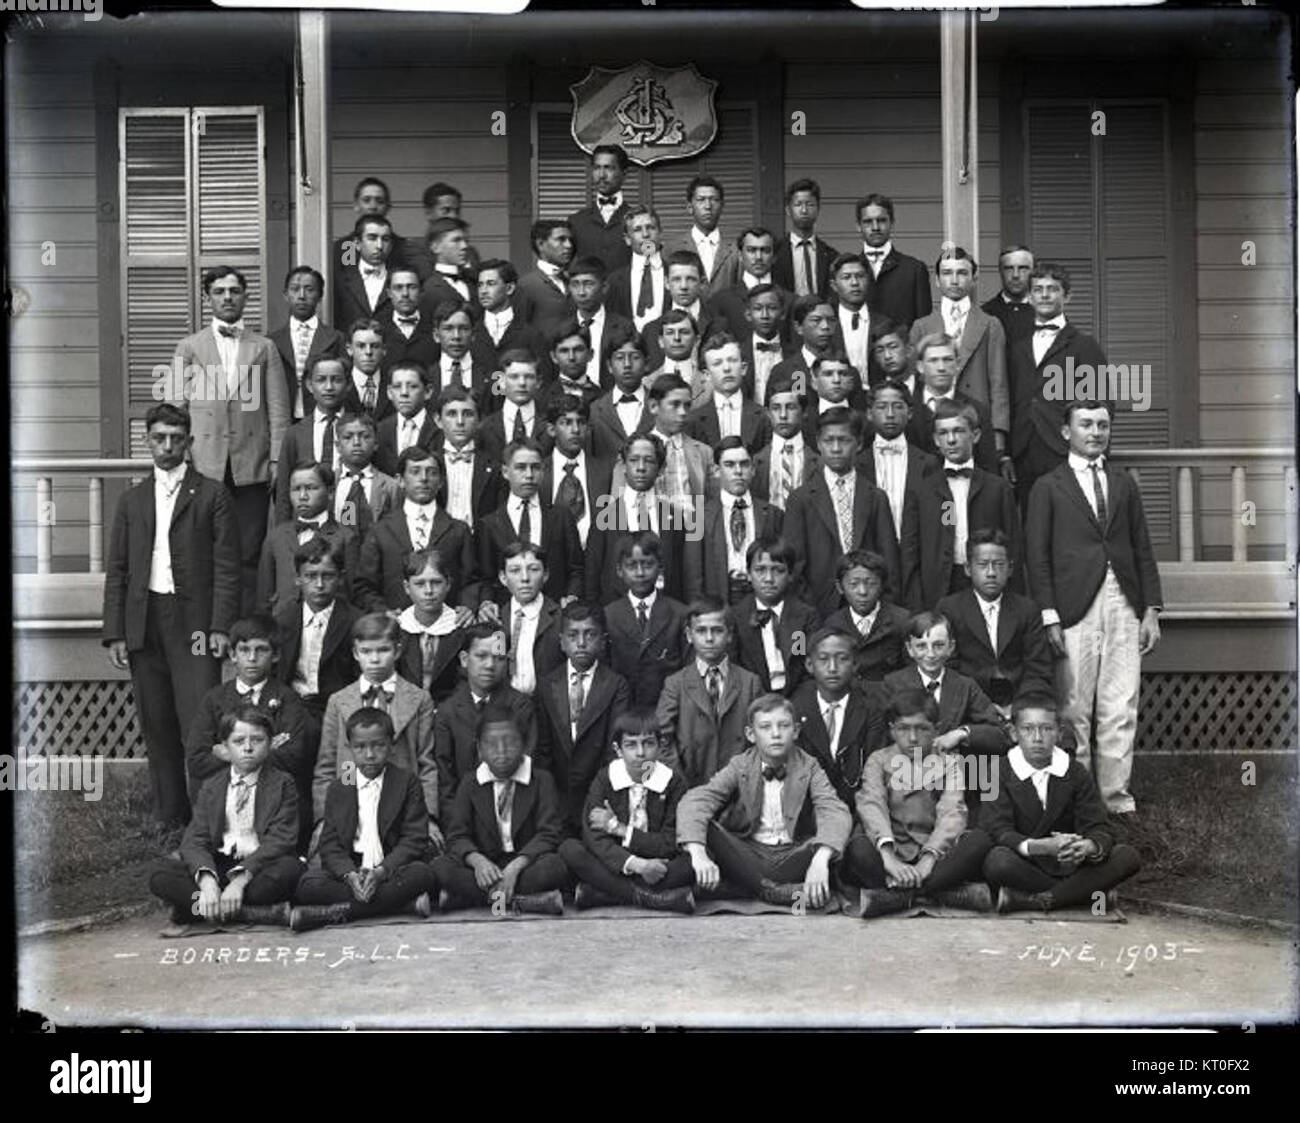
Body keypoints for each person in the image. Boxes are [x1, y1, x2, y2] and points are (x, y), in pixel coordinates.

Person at [103, 403, 240, 827]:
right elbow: (119, 569)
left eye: (176, 439)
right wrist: (116, 633)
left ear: (189, 443)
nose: (167, 447)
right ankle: (170, 817)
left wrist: (220, 627)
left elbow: (227, 566)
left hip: (194, 623)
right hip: (146, 620)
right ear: (148, 441)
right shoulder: (132, 500)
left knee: (199, 721)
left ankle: (207, 821)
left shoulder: (212, 493)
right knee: (157, 722)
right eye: (159, 438)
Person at [1025, 400, 1162, 816]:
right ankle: (1080, 805)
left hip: (1123, 600)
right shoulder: (1048, 486)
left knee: (1120, 703)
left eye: (1103, 425)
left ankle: (1117, 801)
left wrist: (1151, 609)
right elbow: (1038, 555)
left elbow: (1141, 546)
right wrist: (1048, 613)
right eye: (1085, 424)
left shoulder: (1123, 483)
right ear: (1066, 432)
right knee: (1075, 708)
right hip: (1073, 607)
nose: (1096, 432)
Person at [170, 266, 289, 610]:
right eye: (219, 291)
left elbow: (278, 410)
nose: (227, 297)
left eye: (234, 291)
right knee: (205, 548)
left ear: (245, 297)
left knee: (249, 550)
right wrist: (183, 459)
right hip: (204, 463)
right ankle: (209, 627)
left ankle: (244, 631)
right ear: (208, 298)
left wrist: (277, 459)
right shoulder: (189, 347)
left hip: (251, 463)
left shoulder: (264, 348)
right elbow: (175, 408)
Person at [676, 693, 850, 907]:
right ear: (751, 734)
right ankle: (771, 892)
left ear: (795, 731)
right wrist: (698, 853)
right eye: (765, 727)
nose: (775, 734)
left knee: (837, 834)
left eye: (784, 726)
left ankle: (749, 889)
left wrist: (820, 859)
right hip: (750, 855)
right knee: (709, 829)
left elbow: (832, 809)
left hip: (794, 854)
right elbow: (697, 801)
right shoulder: (741, 765)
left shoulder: (809, 766)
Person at [841, 689, 995, 917]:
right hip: (893, 849)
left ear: (936, 728)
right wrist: (888, 858)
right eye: (903, 729)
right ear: (892, 729)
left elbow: (952, 812)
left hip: (935, 852)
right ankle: (937, 894)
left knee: (980, 841)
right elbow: (872, 804)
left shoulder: (950, 762)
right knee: (858, 849)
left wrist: (928, 859)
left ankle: (896, 894)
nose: (913, 738)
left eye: (922, 729)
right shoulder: (879, 760)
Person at [981, 696, 1142, 912]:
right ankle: (1084, 895)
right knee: (996, 861)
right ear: (1013, 733)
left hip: (1071, 863)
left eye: (1047, 729)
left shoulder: (1075, 771)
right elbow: (995, 828)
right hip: (1025, 863)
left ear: (1059, 734)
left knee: (1127, 856)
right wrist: (1041, 847)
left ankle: (1040, 899)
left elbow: (1097, 824)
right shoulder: (994, 770)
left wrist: (1089, 847)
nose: (1037, 738)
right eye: (1028, 729)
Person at [149, 705, 301, 931]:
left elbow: (281, 840)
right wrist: (208, 883)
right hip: (219, 865)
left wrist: (240, 881)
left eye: (257, 740)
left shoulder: (282, 783)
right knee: (160, 875)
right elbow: (195, 839)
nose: (248, 748)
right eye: (239, 742)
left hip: (259, 867)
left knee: (289, 870)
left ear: (270, 744)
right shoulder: (212, 786)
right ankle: (246, 912)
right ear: (225, 749)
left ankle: (196, 910)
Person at [291, 707, 438, 932]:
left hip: (391, 869)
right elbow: (330, 845)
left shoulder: (406, 782)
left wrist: (380, 872)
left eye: (378, 745)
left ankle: (332, 913)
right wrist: (349, 875)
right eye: (360, 747)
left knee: (423, 874)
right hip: (353, 871)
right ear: (349, 748)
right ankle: (401, 906)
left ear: (391, 745)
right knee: (307, 885)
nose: (369, 754)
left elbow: (414, 839)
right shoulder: (340, 787)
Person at [184, 615, 313, 852]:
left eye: (261, 650)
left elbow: (295, 757)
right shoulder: (215, 699)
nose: (252, 658)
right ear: (233, 655)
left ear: (275, 655)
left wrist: (228, 752)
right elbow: (196, 760)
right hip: (225, 799)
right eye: (244, 650)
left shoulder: (287, 699)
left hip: (271, 801)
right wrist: (267, 747)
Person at [431, 703, 570, 915]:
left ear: (524, 745)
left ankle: (474, 900)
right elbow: (457, 835)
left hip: (525, 864)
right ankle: (524, 901)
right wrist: (477, 861)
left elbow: (549, 833)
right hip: (487, 865)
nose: (502, 752)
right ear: (479, 750)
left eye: (510, 743)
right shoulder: (470, 783)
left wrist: (515, 867)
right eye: (492, 744)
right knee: (441, 867)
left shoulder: (541, 780)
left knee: (555, 867)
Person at [312, 614, 440, 845]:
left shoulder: (419, 699)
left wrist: (429, 816)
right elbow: (328, 765)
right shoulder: (339, 701)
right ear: (355, 653)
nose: (374, 659)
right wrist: (323, 819)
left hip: (403, 802)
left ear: (398, 651)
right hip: (351, 800)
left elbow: (426, 763)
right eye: (366, 651)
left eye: (383, 650)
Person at [559, 709, 695, 912]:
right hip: (618, 862)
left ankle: (604, 893)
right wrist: (637, 865)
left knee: (692, 862)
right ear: (618, 750)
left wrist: (619, 828)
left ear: (660, 746)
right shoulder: (605, 778)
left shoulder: (673, 783)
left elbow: (669, 842)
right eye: (631, 745)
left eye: (648, 743)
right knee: (570, 849)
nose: (641, 753)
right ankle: (648, 897)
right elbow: (594, 836)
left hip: (657, 862)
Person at [901, 398, 1022, 610]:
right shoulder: (921, 490)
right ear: (936, 440)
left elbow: (1014, 548)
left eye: (958, 431)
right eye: (944, 433)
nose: (951, 440)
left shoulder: (997, 488)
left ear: (975, 435)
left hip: (987, 584)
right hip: (938, 586)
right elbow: (911, 551)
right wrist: (916, 604)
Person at [784, 406, 900, 616]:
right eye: (829, 441)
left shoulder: (875, 497)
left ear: (859, 444)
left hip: (870, 604)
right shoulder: (800, 499)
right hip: (819, 606)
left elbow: (888, 559)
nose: (836, 448)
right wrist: (809, 608)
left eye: (844, 440)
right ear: (819, 444)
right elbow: (795, 564)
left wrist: (883, 606)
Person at [1008, 261, 1108, 503]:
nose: (1044, 295)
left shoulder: (1084, 345)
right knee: (1030, 525)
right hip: (1023, 451)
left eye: (1052, 289)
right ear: (1029, 297)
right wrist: (1008, 453)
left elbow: (1099, 403)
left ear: (1067, 296)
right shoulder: (1018, 347)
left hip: (1063, 448)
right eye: (1038, 289)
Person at [535, 602, 632, 834]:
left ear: (603, 640)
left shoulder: (616, 685)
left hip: (598, 794)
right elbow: (544, 750)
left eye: (590, 634)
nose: (581, 643)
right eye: (572, 635)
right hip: (557, 796)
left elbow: (614, 748)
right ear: (561, 642)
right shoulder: (547, 685)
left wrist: (600, 796)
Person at [908, 246, 1010, 463]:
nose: (954, 280)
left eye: (962, 273)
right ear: (936, 280)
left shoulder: (990, 324)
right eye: (947, 273)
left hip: (975, 424)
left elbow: (999, 383)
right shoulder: (922, 326)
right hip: (933, 424)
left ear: (973, 278)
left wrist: (999, 438)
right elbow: (914, 381)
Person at [433, 622, 539, 826]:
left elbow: (528, 763)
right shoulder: (449, 711)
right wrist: (456, 822)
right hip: (463, 815)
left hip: (511, 814)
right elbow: (445, 776)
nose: (490, 665)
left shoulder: (520, 707)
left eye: (498, 658)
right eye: (481, 656)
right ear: (465, 659)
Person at [937, 528, 1055, 708]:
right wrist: (982, 706)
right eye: (983, 565)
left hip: (1019, 703)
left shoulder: (1027, 609)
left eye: (999, 564)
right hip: (968, 704)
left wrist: (1018, 708)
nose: (991, 573)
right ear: (968, 568)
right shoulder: (950, 608)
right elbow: (948, 669)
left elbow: (1038, 669)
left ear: (1010, 569)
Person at [354, 446, 477, 614]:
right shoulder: (380, 531)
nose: (424, 478)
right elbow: (363, 586)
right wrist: (383, 612)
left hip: (447, 627)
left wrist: (466, 607)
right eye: (415, 471)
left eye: (431, 472)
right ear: (400, 480)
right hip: (396, 627)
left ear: (441, 481)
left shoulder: (458, 531)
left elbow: (472, 581)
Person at [882, 611, 1011, 770]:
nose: (930, 654)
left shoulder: (965, 686)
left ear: (951, 647)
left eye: (938, 645)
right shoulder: (893, 684)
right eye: (921, 646)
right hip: (906, 773)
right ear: (910, 649)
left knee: (987, 779)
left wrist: (961, 734)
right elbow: (882, 737)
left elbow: (999, 735)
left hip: (956, 772)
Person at [656, 598, 762, 787]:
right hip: (690, 785)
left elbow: (761, 736)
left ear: (729, 635)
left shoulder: (750, 682)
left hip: (740, 785)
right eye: (701, 631)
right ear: (689, 635)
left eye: (717, 630)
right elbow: (663, 739)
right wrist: (679, 784)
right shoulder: (675, 684)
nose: (709, 638)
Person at [585, 433, 700, 605]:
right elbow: (592, 576)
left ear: (661, 469)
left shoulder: (674, 517)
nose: (641, 467)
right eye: (633, 460)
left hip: (664, 615)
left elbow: (683, 575)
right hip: (617, 617)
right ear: (623, 466)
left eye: (649, 461)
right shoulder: (605, 516)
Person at [474, 438, 584, 606]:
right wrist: (487, 602)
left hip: (554, 614)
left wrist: (572, 597)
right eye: (520, 468)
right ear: (505, 472)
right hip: (507, 615)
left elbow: (576, 568)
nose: (529, 475)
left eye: (535, 467)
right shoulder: (489, 524)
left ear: (543, 471)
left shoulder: (561, 517)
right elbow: (487, 577)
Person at [791, 627, 886, 810]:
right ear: (810, 665)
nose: (833, 668)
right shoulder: (796, 709)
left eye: (842, 659)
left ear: (855, 664)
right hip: (808, 810)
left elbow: (873, 769)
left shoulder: (871, 709)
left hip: (860, 806)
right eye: (823, 659)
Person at [687, 438, 783, 605]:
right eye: (730, 465)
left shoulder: (773, 515)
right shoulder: (698, 516)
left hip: (761, 599)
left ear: (753, 470)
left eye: (744, 464)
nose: (738, 471)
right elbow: (693, 574)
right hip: (719, 600)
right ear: (717, 471)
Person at [601, 532, 692, 708]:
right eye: (631, 566)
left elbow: (687, 672)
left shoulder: (679, 614)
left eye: (648, 564)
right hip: (623, 710)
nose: (640, 573)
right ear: (619, 570)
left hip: (668, 709)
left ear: (660, 568)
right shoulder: (608, 615)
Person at [274, 538, 358, 728]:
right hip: (292, 709)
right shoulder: (283, 621)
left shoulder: (354, 622)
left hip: (339, 712)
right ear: (298, 578)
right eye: (311, 576)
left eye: (327, 576)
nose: (319, 585)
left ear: (340, 578)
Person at [258, 462, 358, 616]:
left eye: (311, 488)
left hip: (331, 624)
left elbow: (353, 593)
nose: (302, 496)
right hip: (283, 625)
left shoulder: (346, 537)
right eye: (296, 489)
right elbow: (265, 593)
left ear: (330, 492)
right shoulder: (276, 537)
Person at [731, 537, 819, 696]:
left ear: (790, 574)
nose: (769, 579)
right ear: (749, 574)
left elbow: (806, 666)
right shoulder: (736, 617)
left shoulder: (805, 616)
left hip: (796, 698)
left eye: (778, 570)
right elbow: (734, 669)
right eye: (760, 570)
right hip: (752, 699)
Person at [860, 378, 937, 550]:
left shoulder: (929, 464)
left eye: (897, 406)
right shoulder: (856, 465)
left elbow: (944, 514)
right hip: (870, 554)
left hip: (917, 553)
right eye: (881, 407)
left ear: (910, 413)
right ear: (869, 414)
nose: (890, 414)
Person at [906, 333, 998, 472]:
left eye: (947, 360)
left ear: (958, 364)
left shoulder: (978, 410)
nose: (941, 367)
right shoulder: (906, 408)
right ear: (920, 366)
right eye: (933, 360)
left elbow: (988, 465)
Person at [273, 357, 350, 522]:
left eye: (336, 380)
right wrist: (284, 534)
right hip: (305, 520)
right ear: (309, 385)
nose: (329, 387)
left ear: (348, 385)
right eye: (321, 380)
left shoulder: (358, 428)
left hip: (347, 513)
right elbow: (283, 491)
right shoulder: (295, 433)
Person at [821, 549, 911, 685]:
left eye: (871, 583)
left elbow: (910, 671)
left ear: (882, 585)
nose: (862, 592)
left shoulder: (901, 620)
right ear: (840, 587)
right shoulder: (833, 624)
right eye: (853, 584)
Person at [269, 266, 345, 421]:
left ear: (320, 295)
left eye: (309, 290)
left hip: (322, 416)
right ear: (286, 295)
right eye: (295, 289)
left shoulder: (336, 338)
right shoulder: (271, 341)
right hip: (284, 418)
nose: (302, 296)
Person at [395, 547, 467, 706]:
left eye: (436, 582)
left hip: (451, 713)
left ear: (448, 584)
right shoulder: (397, 628)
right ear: (407, 587)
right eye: (419, 584)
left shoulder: (462, 628)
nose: (428, 591)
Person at [541, 394, 611, 551]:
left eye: (581, 423)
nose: (575, 430)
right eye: (566, 423)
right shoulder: (538, 472)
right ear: (551, 429)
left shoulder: (606, 472)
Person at [856, 192, 931, 331]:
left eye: (881, 220)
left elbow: (923, 328)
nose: (875, 227)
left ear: (892, 223)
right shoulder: (847, 270)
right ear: (858, 226)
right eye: (868, 221)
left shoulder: (914, 270)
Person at [686, 332, 772, 452]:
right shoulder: (693, 420)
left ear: (743, 368)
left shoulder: (764, 417)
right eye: (717, 363)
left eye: (732, 360)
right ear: (707, 375)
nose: (726, 368)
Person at [643, 251, 725, 372]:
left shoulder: (720, 326)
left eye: (690, 279)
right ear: (666, 283)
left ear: (702, 283)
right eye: (676, 279)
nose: (683, 286)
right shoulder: (651, 331)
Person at [432, 385, 503, 525]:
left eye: (468, 414)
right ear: (438, 420)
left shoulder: (493, 467)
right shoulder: (429, 463)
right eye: (452, 414)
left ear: (480, 421)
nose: (460, 422)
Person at [751, 372, 818, 510]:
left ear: (804, 412)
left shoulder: (819, 462)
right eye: (776, 408)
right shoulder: (756, 461)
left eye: (790, 407)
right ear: (768, 413)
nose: (783, 415)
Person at [710, 227, 794, 338]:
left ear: (774, 257)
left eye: (765, 251)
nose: (758, 257)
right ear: (740, 255)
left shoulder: (791, 301)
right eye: (751, 250)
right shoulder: (720, 301)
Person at [564, 255, 632, 388]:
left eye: (588, 284)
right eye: (575, 284)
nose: (581, 292)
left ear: (604, 287)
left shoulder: (623, 327)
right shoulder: (561, 328)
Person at [472, 258, 550, 374]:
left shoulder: (532, 335)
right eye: (480, 285)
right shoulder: (470, 333)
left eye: (490, 284)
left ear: (509, 288)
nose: (483, 291)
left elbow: (543, 378)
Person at [331, 411, 402, 537]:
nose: (357, 442)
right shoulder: (329, 482)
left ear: (375, 444)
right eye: (348, 437)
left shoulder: (391, 486)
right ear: (338, 445)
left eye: (365, 436)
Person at [589, 323, 653, 461]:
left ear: (646, 364)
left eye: (635, 357)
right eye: (619, 358)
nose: (627, 364)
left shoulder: (659, 407)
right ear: (609, 366)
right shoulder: (595, 411)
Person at [567, 143, 633, 272]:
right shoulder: (576, 221)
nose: (601, 175)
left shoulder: (639, 219)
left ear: (624, 173)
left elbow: (651, 258)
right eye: (597, 168)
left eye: (609, 168)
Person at [667, 175, 738, 293]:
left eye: (714, 200)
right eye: (701, 200)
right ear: (690, 207)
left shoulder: (735, 250)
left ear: (722, 206)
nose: (708, 206)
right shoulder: (672, 248)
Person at [479, 349, 549, 465]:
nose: (522, 383)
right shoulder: (484, 428)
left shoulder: (549, 426)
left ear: (538, 382)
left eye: (529, 377)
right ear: (501, 381)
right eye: (514, 377)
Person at [606, 205, 668, 330]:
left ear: (660, 233)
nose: (645, 234)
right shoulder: (614, 280)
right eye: (637, 230)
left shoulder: (674, 273)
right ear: (628, 239)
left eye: (650, 228)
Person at [775, 178, 839, 297]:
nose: (804, 210)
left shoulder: (830, 255)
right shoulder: (775, 252)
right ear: (788, 210)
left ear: (818, 209)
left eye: (810, 204)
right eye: (798, 204)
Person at [374, 360, 438, 476]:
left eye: (412, 386)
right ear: (389, 392)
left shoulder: (438, 428)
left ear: (428, 391)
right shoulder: (380, 430)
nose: (404, 393)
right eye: (397, 386)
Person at [515, 219, 575, 341]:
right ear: (541, 244)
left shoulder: (575, 281)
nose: (569, 245)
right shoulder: (526, 286)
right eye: (561, 239)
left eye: (570, 240)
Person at [334, 214, 397, 327]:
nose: (379, 246)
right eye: (372, 238)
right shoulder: (340, 280)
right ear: (357, 244)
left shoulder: (399, 278)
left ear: (391, 245)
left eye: (385, 239)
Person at [739, 284, 794, 406]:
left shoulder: (796, 355)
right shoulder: (737, 355)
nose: (765, 315)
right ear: (748, 314)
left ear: (783, 313)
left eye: (772, 308)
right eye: (758, 309)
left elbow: (800, 394)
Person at [381, 268, 440, 375]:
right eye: (398, 288)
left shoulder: (436, 328)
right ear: (389, 293)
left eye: (412, 287)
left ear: (421, 291)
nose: (405, 294)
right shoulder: (377, 329)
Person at [418, 217, 476, 317]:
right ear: (435, 247)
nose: (464, 246)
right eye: (456, 240)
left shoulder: (475, 282)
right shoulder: (427, 289)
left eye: (466, 240)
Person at [981, 244, 1036, 346]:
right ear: (1000, 271)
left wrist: (1069, 362)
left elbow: (1068, 354)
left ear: (1033, 271)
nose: (1015, 275)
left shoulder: (1047, 313)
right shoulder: (985, 315)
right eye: (1009, 268)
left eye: (1023, 268)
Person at [339, 317, 393, 422]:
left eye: (375, 346)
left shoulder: (393, 383)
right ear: (349, 349)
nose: (368, 352)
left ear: (384, 350)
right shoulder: (340, 384)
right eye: (361, 346)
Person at [828, 252, 873, 377]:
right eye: (846, 277)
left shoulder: (885, 324)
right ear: (834, 285)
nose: (854, 283)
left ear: (868, 280)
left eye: (860, 276)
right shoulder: (824, 324)